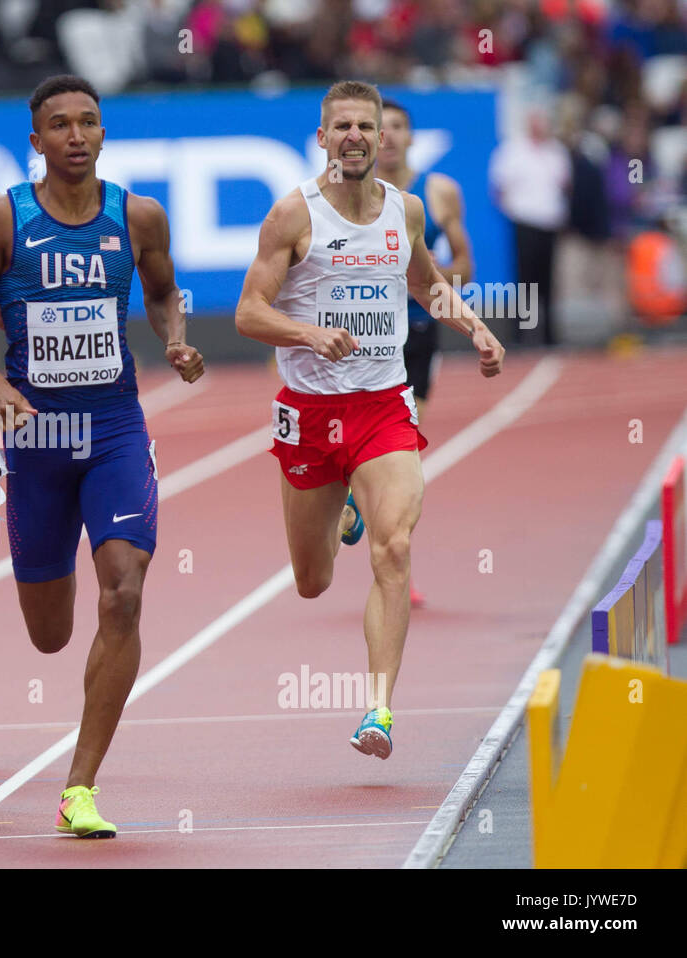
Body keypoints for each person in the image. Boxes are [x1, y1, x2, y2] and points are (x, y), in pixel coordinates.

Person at [0, 75, 205, 837]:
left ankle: (79, 786)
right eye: (58, 124)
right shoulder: (4, 219)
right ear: (36, 140)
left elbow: (162, 292)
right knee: (50, 631)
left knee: (123, 591)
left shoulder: (138, 215)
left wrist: (175, 339)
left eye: (88, 122)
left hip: (115, 428)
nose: (75, 135)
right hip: (35, 437)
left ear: (102, 131)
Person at [235, 80, 504, 760]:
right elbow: (247, 313)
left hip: (384, 403)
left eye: (368, 126)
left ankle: (378, 711)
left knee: (394, 549)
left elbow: (425, 283)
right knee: (312, 580)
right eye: (344, 126)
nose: (358, 136)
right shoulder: (292, 215)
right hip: (311, 414)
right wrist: (306, 333)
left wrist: (474, 328)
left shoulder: (405, 211)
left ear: (382, 135)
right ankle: (341, 514)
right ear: (323, 137)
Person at [376, 98, 476, 609]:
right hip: (367, 336)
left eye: (397, 127)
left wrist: (428, 278)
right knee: (370, 450)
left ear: (411, 137)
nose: (388, 136)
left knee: (407, 453)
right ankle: (356, 504)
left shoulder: (438, 192)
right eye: (380, 128)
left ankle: (396, 557)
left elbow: (465, 265)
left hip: (417, 335)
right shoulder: (354, 195)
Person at [488, 108, 570, 346]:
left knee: (548, 281)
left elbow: (565, 185)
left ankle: (548, 334)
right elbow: (498, 187)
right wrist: (513, 211)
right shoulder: (513, 151)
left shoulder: (556, 152)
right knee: (526, 280)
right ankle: (523, 332)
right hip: (524, 222)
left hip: (550, 223)